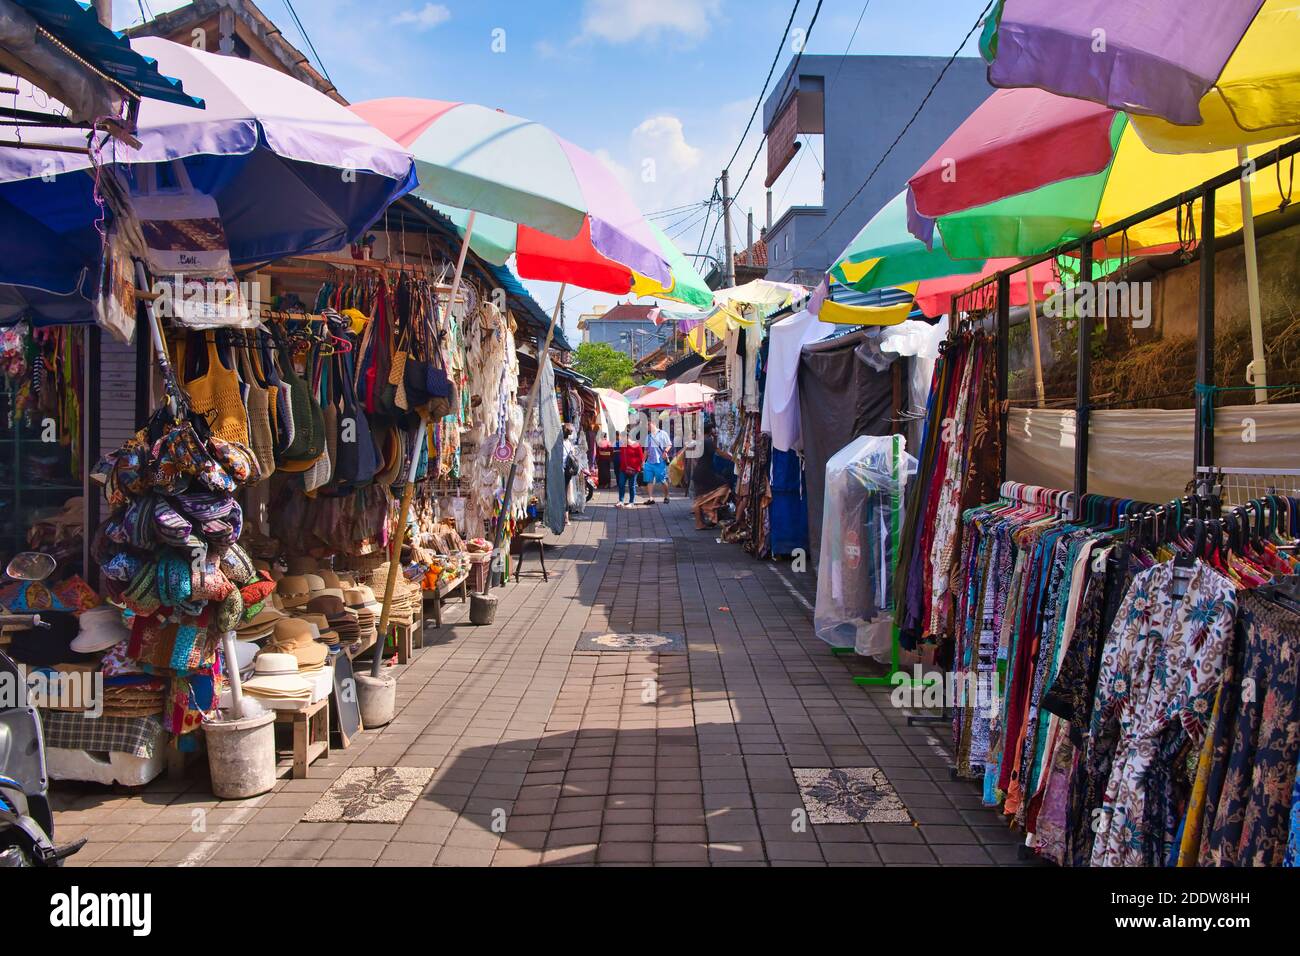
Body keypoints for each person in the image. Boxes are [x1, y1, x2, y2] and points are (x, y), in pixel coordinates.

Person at [689, 422, 732, 530]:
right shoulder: (708, 441)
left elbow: (698, 457)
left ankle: (700, 523)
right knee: (725, 485)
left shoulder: (701, 442)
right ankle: (713, 506)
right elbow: (719, 452)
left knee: (699, 498)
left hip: (699, 472)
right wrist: (734, 458)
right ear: (710, 431)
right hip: (705, 472)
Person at [641, 413, 673, 504]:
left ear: (653, 423)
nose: (647, 426)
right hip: (650, 462)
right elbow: (646, 451)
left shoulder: (663, 433)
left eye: (648, 424)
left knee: (663, 480)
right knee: (649, 480)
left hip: (660, 461)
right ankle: (651, 498)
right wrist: (643, 461)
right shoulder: (648, 437)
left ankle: (666, 496)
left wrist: (665, 451)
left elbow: (669, 444)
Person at [615, 428, 644, 508]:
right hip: (623, 469)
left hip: (634, 470)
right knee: (621, 484)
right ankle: (621, 501)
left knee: (632, 485)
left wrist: (638, 467)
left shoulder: (637, 445)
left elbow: (641, 458)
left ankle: (631, 502)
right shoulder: (623, 446)